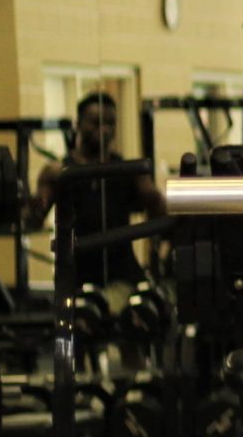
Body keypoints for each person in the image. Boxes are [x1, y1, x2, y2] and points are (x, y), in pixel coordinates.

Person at [27, 91, 162, 290]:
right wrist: (32, 205)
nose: (104, 130)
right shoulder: (58, 172)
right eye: (95, 122)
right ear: (78, 124)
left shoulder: (129, 171)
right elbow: (33, 220)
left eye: (109, 123)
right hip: (77, 277)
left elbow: (157, 208)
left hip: (122, 276)